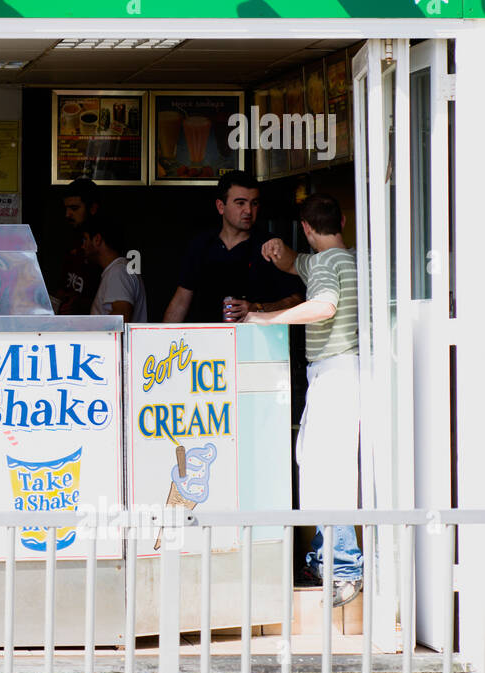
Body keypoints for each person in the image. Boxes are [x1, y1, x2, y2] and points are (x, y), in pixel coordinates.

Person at [246, 194, 362, 607]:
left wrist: (268, 317)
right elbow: (297, 264)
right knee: (316, 463)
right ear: (342, 219)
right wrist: (281, 250)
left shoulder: (330, 266)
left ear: (308, 228)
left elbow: (324, 305)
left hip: (335, 370)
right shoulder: (346, 259)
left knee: (327, 469)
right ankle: (321, 558)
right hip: (339, 372)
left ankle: (344, 567)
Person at [162, 170, 303, 323]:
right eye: (240, 203)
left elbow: (297, 301)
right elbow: (181, 302)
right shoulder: (201, 245)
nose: (248, 211)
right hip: (207, 341)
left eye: (254, 203)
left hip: (258, 342)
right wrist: (163, 342)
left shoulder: (271, 246)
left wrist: (258, 308)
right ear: (221, 206)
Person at [82, 216, 147, 322]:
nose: (82, 246)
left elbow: (121, 317)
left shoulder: (118, 271)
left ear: (97, 239)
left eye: (85, 239)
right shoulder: (118, 269)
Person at [50, 178, 101, 315]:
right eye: (66, 208)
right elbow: (62, 289)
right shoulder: (69, 241)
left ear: (93, 208)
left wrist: (80, 304)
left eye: (74, 208)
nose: (68, 214)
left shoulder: (103, 250)